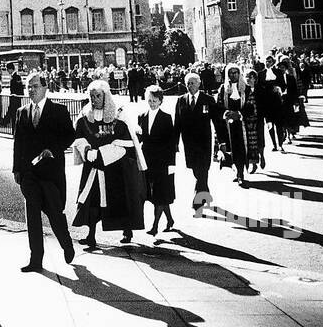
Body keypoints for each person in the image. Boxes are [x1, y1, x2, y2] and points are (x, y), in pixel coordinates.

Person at [12, 72, 77, 272]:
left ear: (45, 87)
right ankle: (36, 259)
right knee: (32, 216)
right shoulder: (22, 112)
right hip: (29, 175)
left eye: (35, 86)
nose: (31, 90)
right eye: (28, 87)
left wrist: (54, 149)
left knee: (54, 213)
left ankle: (66, 244)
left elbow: (70, 136)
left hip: (51, 173)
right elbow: (18, 143)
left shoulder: (59, 110)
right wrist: (17, 169)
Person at [72, 80, 146, 248]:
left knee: (119, 200)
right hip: (92, 166)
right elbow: (79, 137)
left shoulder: (118, 117)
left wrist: (102, 154)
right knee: (91, 201)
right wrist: (87, 151)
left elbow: (124, 144)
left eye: (98, 96)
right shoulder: (85, 116)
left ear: (105, 96)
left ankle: (127, 230)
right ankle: (91, 235)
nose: (94, 99)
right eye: (91, 96)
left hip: (114, 168)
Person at [174, 70, 221, 216]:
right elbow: (177, 123)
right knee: (196, 169)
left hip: (204, 142)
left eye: (192, 83)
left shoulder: (208, 99)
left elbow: (217, 121)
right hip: (188, 142)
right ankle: (205, 191)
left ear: (199, 84)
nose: (189, 86)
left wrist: (221, 141)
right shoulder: (181, 100)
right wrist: (175, 142)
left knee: (203, 168)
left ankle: (198, 199)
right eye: (187, 83)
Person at [138, 85, 176, 236]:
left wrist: (171, 164)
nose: (152, 103)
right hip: (147, 161)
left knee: (160, 194)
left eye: (155, 100)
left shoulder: (166, 118)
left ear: (161, 101)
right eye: (149, 100)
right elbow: (140, 138)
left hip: (163, 162)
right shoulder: (141, 116)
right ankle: (170, 220)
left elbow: (171, 143)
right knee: (157, 194)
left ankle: (154, 226)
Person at [215, 63, 248, 186]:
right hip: (227, 124)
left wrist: (239, 113)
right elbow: (218, 106)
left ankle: (241, 173)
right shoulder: (223, 89)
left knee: (241, 149)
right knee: (231, 150)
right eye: (230, 73)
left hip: (242, 124)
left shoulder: (246, 88)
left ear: (239, 74)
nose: (233, 75)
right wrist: (226, 113)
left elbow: (251, 106)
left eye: (235, 72)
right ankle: (236, 171)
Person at [242, 69, 264, 175]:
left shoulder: (260, 90)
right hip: (247, 120)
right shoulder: (243, 91)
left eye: (250, 77)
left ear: (255, 79)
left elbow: (264, 106)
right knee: (251, 142)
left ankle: (262, 156)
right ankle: (253, 164)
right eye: (246, 77)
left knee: (260, 140)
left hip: (258, 119)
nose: (248, 79)